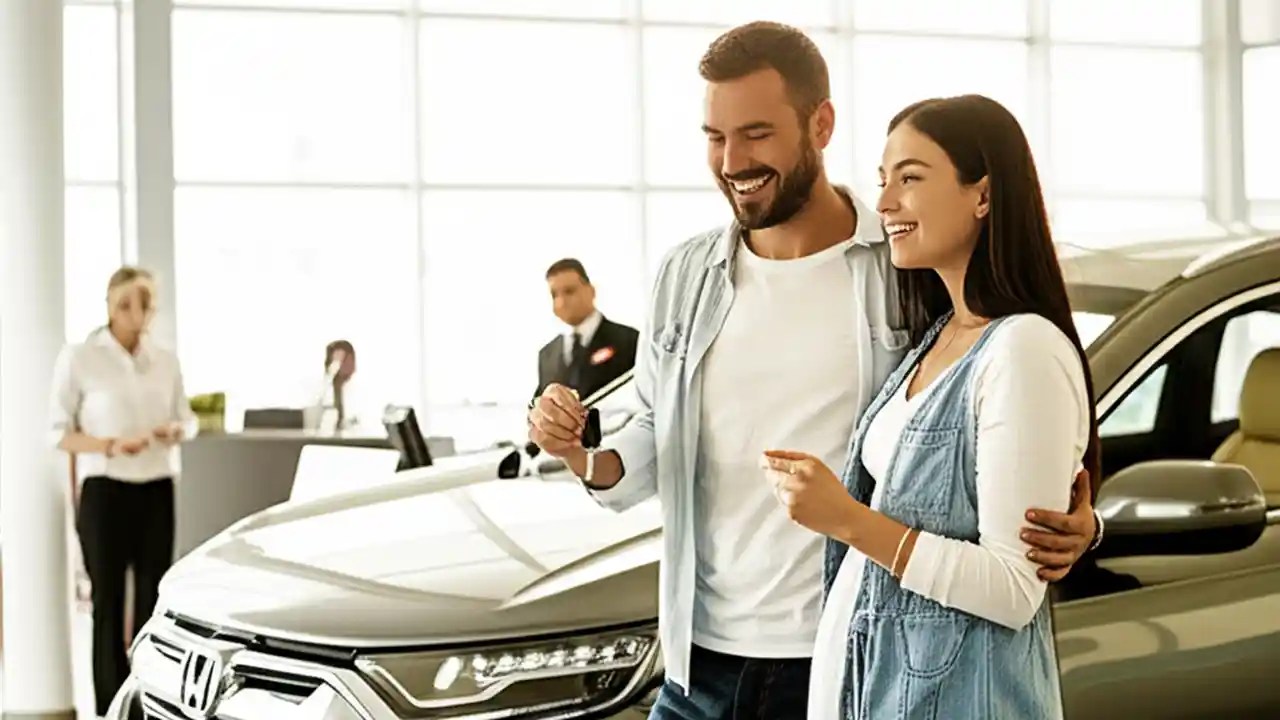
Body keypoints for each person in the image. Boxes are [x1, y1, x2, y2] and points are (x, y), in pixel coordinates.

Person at [527, 22, 1101, 719]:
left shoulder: (902, 271)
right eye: (715, 136)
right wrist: (583, 455)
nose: (732, 159)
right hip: (695, 662)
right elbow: (653, 429)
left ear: (820, 124)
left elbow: (987, 416)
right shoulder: (686, 275)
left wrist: (1079, 520)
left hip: (844, 657)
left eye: (757, 133)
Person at [761, 94, 1097, 718]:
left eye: (910, 178)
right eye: (883, 180)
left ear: (984, 195)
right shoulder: (938, 338)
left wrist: (845, 518)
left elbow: (1011, 589)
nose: (885, 203)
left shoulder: (1023, 349)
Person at [49, 266, 197, 716]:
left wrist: (177, 430)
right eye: (126, 304)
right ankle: (110, 707)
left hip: (155, 489)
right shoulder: (79, 357)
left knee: (155, 601)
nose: (137, 313)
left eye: (145, 303)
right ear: (110, 305)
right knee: (107, 605)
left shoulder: (166, 360)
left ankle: (153, 703)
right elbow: (58, 432)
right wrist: (110, 444)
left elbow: (188, 419)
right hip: (104, 493)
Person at [535, 258, 639, 401]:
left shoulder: (629, 340)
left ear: (591, 291)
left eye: (569, 291)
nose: (561, 302)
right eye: (554, 295)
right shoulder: (547, 356)